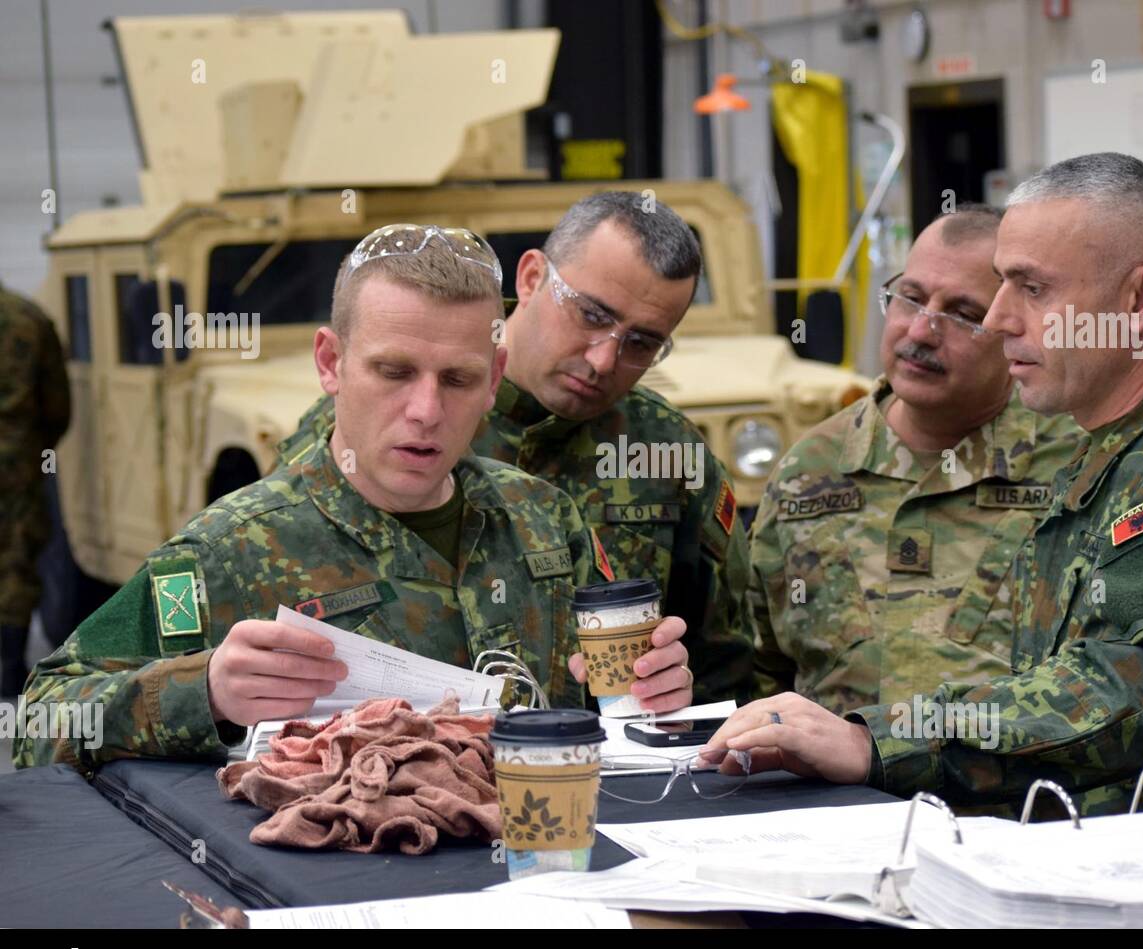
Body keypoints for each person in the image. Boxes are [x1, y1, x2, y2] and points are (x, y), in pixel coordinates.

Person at [706, 153, 1143, 824]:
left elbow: (1129, 691)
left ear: (1141, 298)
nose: (996, 320)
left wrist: (876, 739)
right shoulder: (1113, 452)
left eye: (1032, 289)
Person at [15, 224, 691, 774]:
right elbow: (42, 720)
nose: (425, 411)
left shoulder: (544, 522)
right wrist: (208, 692)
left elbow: (619, 702)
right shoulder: (236, 547)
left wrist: (652, 692)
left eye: (457, 379)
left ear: (494, 380)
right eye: (393, 372)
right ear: (331, 364)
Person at [282, 193, 753, 705]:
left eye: (641, 343)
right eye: (591, 315)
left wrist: (670, 693)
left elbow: (726, 660)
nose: (603, 359)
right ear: (531, 278)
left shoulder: (664, 449)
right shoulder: (367, 426)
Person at [749, 205, 1079, 714]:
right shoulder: (809, 471)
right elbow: (757, 669)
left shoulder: (1076, 469)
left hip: (1012, 792)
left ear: (1018, 331)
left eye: (964, 315)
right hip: (840, 794)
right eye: (911, 298)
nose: (922, 331)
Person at [0, 281, 71, 697]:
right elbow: (57, 404)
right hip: (17, 462)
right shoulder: (29, 317)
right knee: (14, 560)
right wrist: (34, 445)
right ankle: (8, 667)